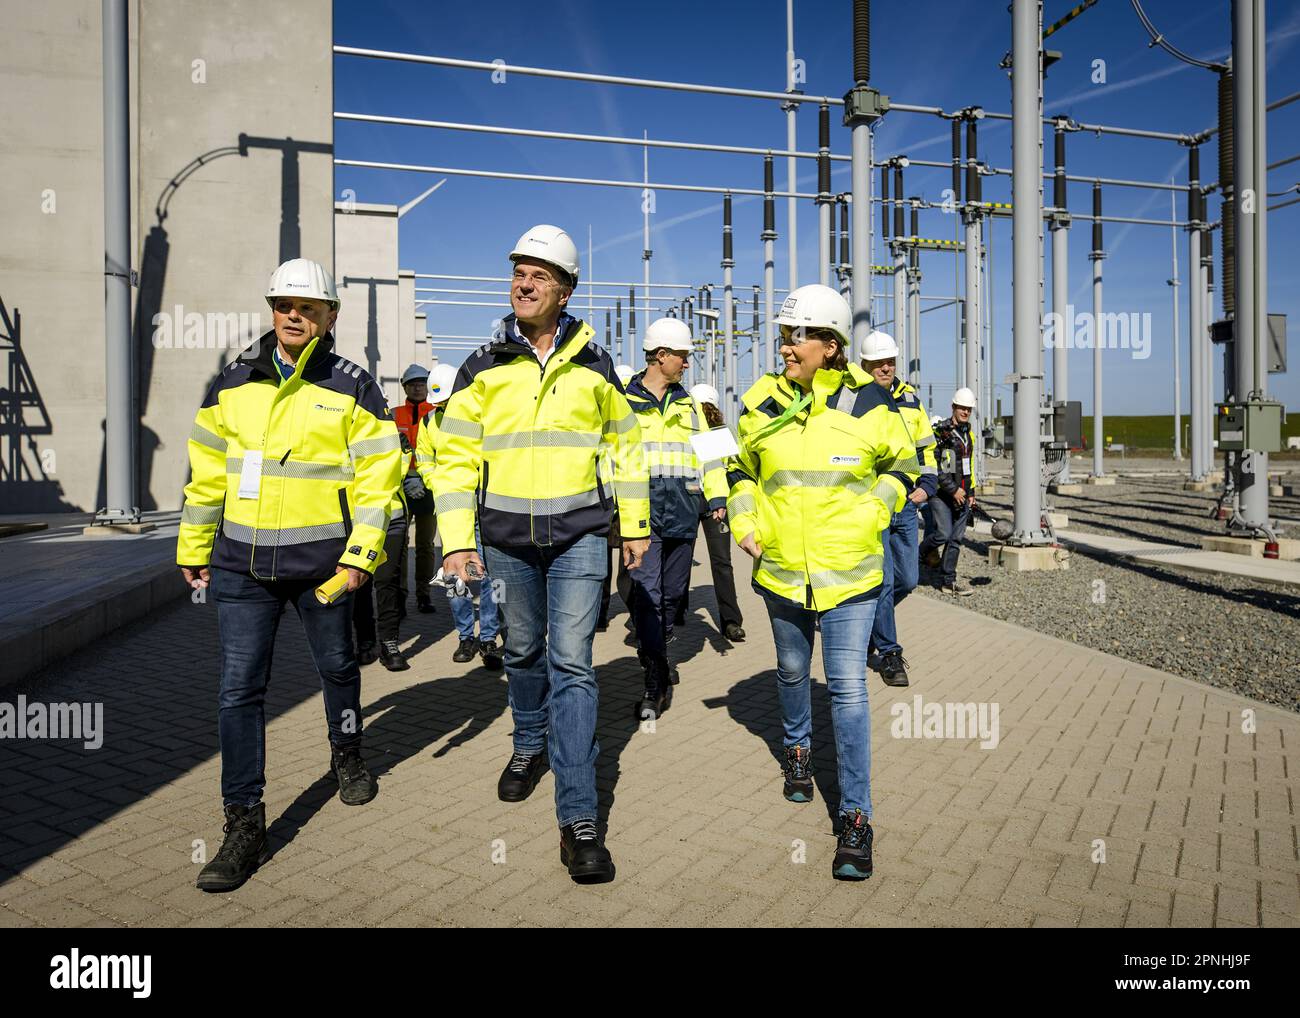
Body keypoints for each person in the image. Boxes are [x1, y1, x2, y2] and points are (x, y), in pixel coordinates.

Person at [432, 225, 650, 883]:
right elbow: (453, 457)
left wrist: (634, 526)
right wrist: (457, 542)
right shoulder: (483, 364)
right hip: (505, 543)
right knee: (523, 653)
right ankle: (529, 745)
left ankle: (579, 820)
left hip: (581, 537)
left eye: (539, 275)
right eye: (518, 272)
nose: (523, 283)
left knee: (573, 663)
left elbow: (627, 448)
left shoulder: (594, 363)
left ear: (565, 290)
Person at [177, 258, 403, 892]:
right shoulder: (231, 382)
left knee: (337, 669)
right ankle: (243, 821)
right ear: (272, 310)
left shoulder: (352, 385)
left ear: (330, 316)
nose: (293, 315)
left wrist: (361, 557)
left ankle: (348, 753)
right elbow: (207, 475)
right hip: (241, 568)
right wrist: (193, 545)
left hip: (323, 568)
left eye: (307, 307)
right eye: (283, 305)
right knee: (238, 690)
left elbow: (377, 481)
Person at [727, 284, 918, 881]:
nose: (787, 346)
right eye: (784, 335)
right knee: (789, 672)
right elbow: (739, 468)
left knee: (848, 691)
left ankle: (857, 821)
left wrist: (874, 510)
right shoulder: (760, 402)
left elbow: (906, 469)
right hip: (781, 570)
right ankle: (798, 751)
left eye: (798, 336)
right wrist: (743, 517)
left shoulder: (870, 403)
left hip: (852, 576)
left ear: (830, 346)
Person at [623, 318, 728, 720]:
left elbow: (714, 456)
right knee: (647, 594)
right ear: (661, 355)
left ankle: (659, 655)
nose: (687, 363)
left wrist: (719, 497)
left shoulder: (693, 406)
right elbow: (607, 452)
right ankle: (654, 678)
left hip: (683, 512)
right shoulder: (622, 400)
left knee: (671, 596)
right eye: (682, 356)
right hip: (642, 515)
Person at [853, 330, 938, 688]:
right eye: (879, 362)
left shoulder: (910, 399)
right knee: (884, 581)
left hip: (905, 502)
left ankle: (872, 626)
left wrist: (929, 484)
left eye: (890, 361)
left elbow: (925, 448)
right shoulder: (853, 399)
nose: (886, 367)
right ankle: (889, 653)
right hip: (875, 501)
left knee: (908, 579)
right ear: (865, 365)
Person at [414, 366, 503, 670]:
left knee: (491, 576)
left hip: (485, 508)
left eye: (448, 402)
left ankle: (489, 638)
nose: (443, 408)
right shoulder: (429, 421)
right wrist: (434, 481)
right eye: (439, 404)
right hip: (453, 510)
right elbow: (424, 457)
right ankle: (467, 636)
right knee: (455, 577)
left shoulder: (482, 416)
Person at [682, 383, 745, 643]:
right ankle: (731, 622)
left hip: (699, 501)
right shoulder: (722, 430)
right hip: (710, 503)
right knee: (722, 563)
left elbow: (719, 467)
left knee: (681, 559)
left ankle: (677, 612)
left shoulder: (717, 432)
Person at [920, 388, 979, 596]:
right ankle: (922, 552)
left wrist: (970, 492)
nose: (965, 412)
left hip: (963, 494)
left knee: (956, 539)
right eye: (962, 408)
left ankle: (948, 582)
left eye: (968, 409)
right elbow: (939, 467)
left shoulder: (968, 435)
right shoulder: (942, 433)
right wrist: (954, 490)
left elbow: (968, 466)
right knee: (943, 534)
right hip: (941, 494)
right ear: (953, 407)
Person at [393, 363, 437, 615]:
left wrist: (422, 476)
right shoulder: (393, 414)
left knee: (425, 545)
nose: (418, 387)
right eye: (413, 383)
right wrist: (407, 476)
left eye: (422, 383)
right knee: (399, 544)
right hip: (400, 487)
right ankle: (399, 596)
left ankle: (424, 594)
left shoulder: (436, 414)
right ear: (405, 387)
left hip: (428, 486)